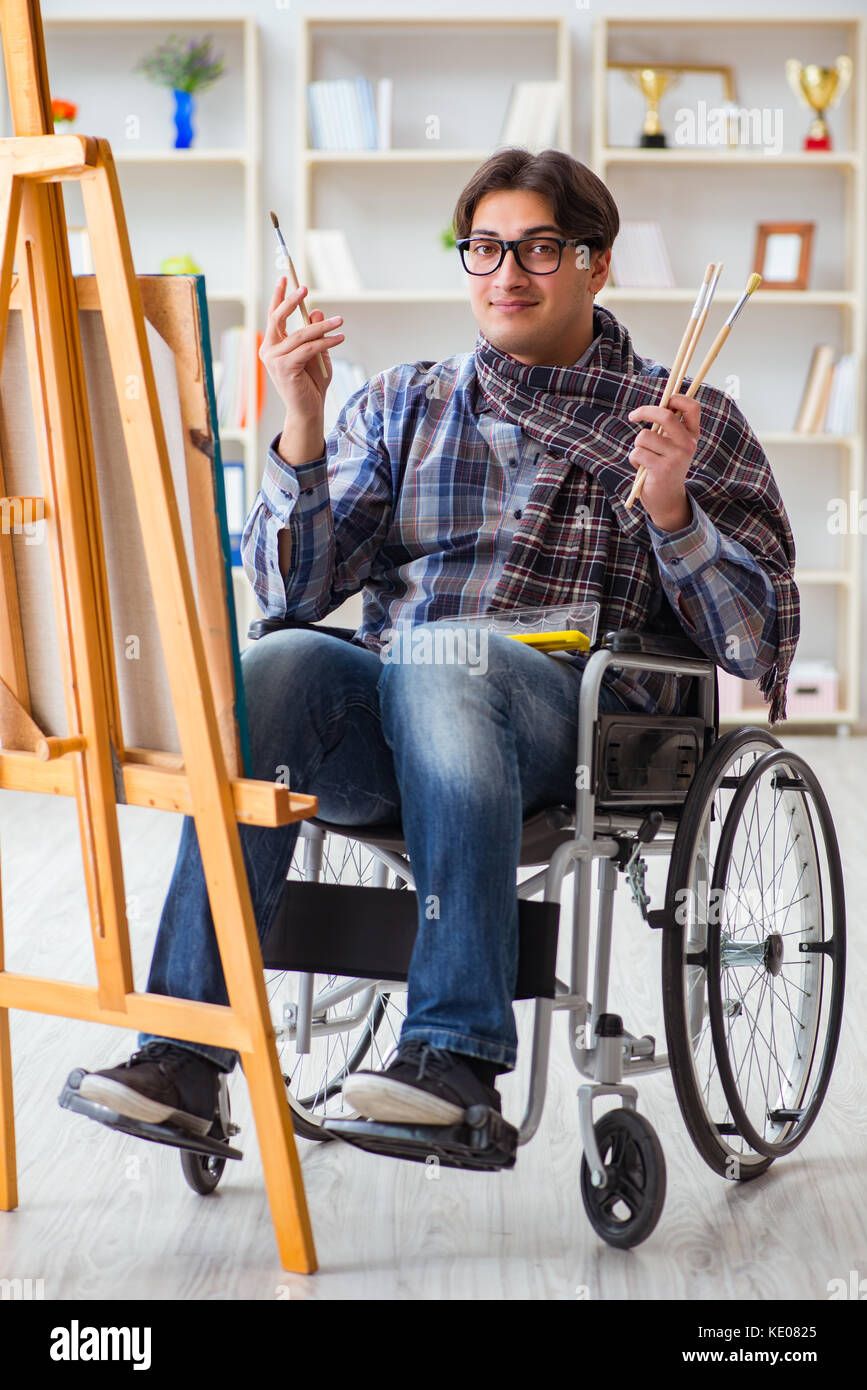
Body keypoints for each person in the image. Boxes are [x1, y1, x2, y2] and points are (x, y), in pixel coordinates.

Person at [69, 148, 797, 1137]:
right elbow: (288, 591)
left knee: (439, 657)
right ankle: (184, 1055)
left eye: (539, 248)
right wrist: (304, 421)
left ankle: (452, 1059)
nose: (508, 273)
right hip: (398, 721)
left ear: (596, 262)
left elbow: (753, 640)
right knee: (275, 663)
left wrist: (672, 509)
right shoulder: (407, 400)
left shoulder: (682, 419)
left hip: (567, 724)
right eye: (485, 248)